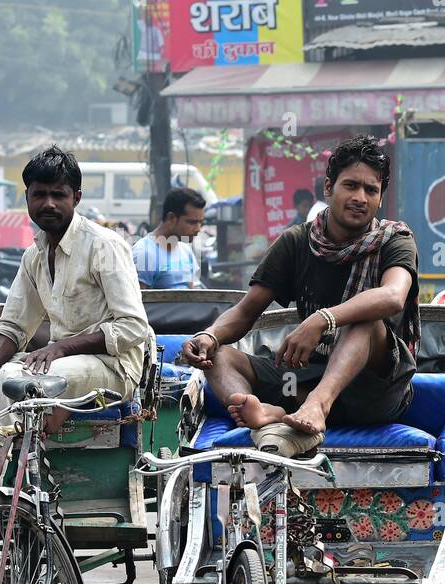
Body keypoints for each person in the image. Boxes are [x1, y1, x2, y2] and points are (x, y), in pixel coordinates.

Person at [0, 146, 150, 517]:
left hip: (114, 368)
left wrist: (61, 348)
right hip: (59, 367)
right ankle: (11, 400)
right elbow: (13, 325)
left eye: (59, 195)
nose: (49, 203)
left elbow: (133, 327)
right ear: (27, 197)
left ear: (77, 198)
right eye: (40, 194)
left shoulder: (105, 246)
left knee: (12, 376)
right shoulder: (35, 255)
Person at [180, 136, 419, 452]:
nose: (360, 197)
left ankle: (317, 406)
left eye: (371, 190)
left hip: (374, 390)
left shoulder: (395, 240)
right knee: (220, 354)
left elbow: (391, 296)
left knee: (366, 320)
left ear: (379, 199)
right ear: (329, 188)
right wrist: (208, 337)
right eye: (350, 186)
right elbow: (246, 311)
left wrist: (323, 319)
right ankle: (265, 412)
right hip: (304, 379)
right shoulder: (295, 242)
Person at [133, 187, 204, 290]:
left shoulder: (186, 250)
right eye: (192, 222)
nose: (198, 229)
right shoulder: (144, 254)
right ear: (171, 218)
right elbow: (137, 303)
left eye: (200, 222)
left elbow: (192, 298)